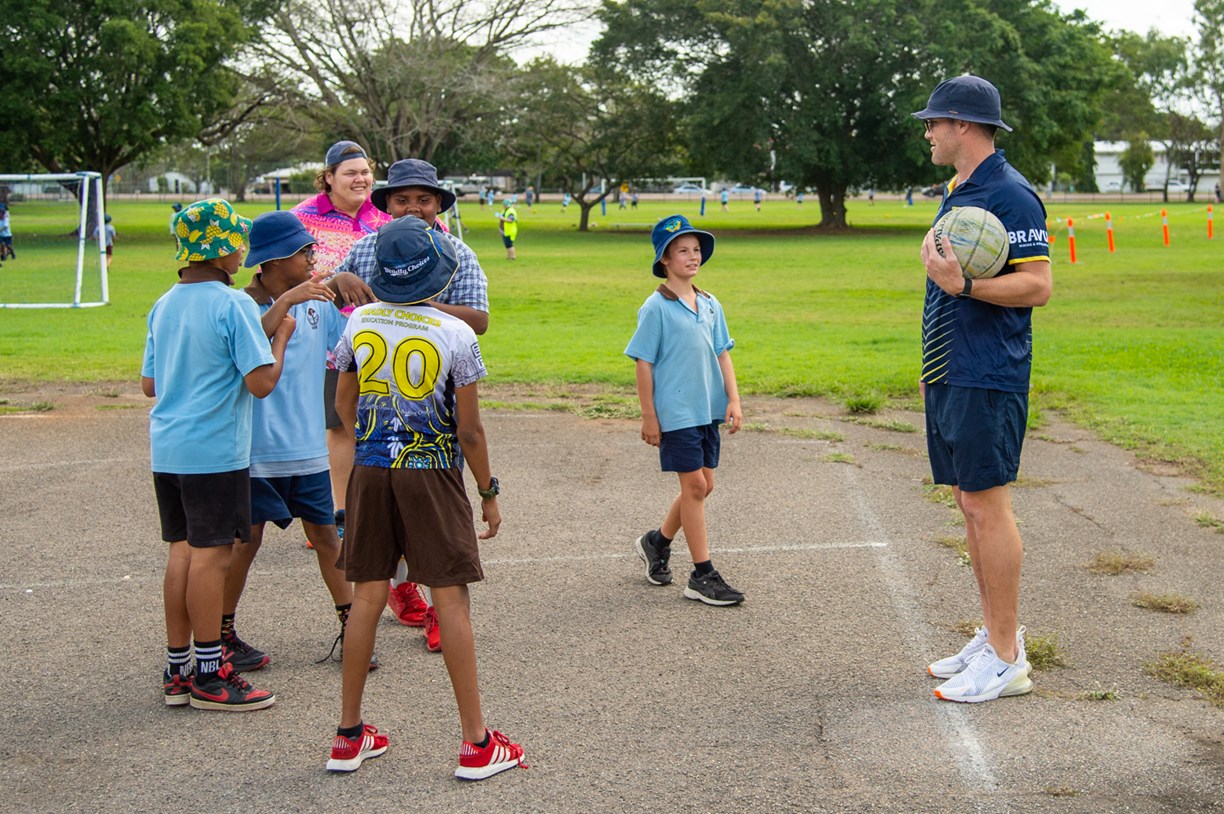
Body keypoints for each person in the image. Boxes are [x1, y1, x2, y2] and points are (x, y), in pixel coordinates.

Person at [326, 215, 525, 779]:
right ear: (435, 274)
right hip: (431, 472)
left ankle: (347, 735)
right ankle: (476, 742)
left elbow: (342, 402)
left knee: (368, 594)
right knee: (450, 598)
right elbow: (470, 431)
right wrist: (487, 491)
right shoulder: (455, 333)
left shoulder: (360, 320)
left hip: (371, 468)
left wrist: (372, 443)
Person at [913, 75, 1052, 703]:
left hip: (987, 374)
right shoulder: (960, 190)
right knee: (968, 506)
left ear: (962, 124)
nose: (928, 133)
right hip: (952, 369)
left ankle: (1005, 660)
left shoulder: (1010, 194)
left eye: (934, 122)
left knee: (987, 507)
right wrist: (931, 364)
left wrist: (965, 287)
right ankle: (997, 635)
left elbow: (1037, 286)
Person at [329, 157, 491, 639]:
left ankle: (441, 608)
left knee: (436, 514)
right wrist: (338, 281)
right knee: (390, 512)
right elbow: (327, 289)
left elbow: (479, 319)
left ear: (439, 204)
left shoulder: (457, 253)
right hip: (376, 396)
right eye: (402, 199)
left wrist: (419, 303)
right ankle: (403, 588)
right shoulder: (369, 247)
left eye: (423, 199)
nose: (413, 208)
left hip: (435, 399)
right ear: (387, 205)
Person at [143, 197, 291, 711]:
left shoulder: (165, 303)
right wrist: (282, 338)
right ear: (220, 250)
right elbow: (261, 382)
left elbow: (150, 383)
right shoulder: (233, 305)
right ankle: (210, 672)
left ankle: (178, 667)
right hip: (216, 450)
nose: (243, 252)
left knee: (182, 551)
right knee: (212, 556)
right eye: (237, 242)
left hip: (169, 445)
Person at [220, 210, 378, 674]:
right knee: (245, 543)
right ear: (270, 260)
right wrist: (289, 299)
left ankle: (352, 628)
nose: (313, 257)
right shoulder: (241, 305)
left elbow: (349, 345)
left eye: (312, 249)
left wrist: (343, 288)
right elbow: (247, 346)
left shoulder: (318, 303)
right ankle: (222, 634)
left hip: (306, 448)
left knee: (327, 537)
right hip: (254, 451)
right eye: (302, 251)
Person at [625, 214, 745, 607]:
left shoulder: (709, 303)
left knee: (705, 486)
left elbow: (722, 353)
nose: (692, 256)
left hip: (706, 409)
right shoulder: (656, 307)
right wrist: (649, 416)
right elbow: (643, 362)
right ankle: (702, 575)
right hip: (675, 412)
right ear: (664, 259)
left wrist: (733, 399)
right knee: (694, 487)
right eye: (682, 251)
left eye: (696, 250)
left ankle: (657, 542)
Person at [292, 140, 392, 553]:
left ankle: (377, 510)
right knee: (338, 425)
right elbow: (286, 277)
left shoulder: (385, 216)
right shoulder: (302, 218)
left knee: (381, 422)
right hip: (327, 340)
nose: (361, 179)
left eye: (365, 171)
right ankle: (340, 514)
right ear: (329, 177)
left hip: (383, 337)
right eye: (350, 172)